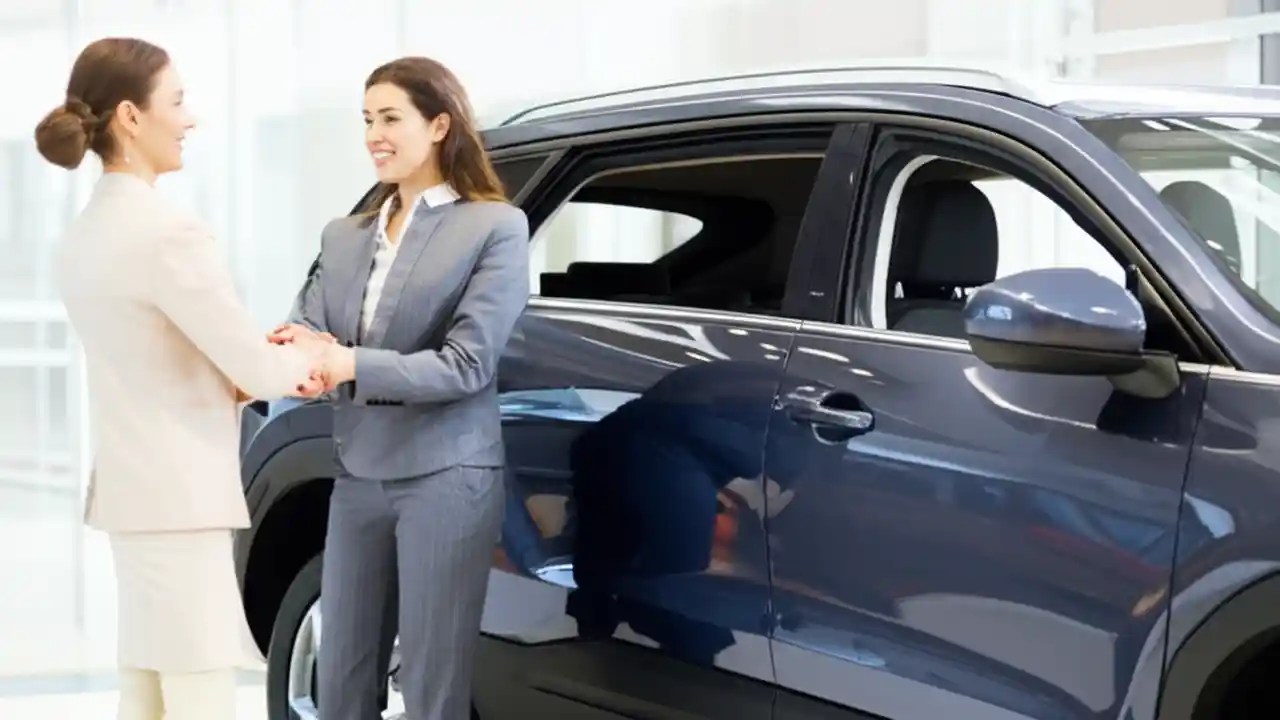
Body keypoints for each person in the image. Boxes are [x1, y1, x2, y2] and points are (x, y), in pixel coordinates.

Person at [36, 37, 332, 720]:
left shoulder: (84, 234)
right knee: (198, 690)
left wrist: (238, 371)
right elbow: (256, 368)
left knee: (144, 685)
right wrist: (312, 357)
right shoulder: (167, 232)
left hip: (133, 496)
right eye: (177, 101)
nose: (191, 118)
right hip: (182, 498)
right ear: (131, 118)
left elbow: (155, 358)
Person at [271, 56, 530, 720]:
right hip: (359, 472)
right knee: (343, 679)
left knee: (430, 686)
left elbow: (466, 366)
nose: (374, 136)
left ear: (440, 124)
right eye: (366, 120)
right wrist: (292, 348)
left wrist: (351, 363)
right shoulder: (346, 233)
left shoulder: (494, 227)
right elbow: (311, 320)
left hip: (446, 476)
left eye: (391, 118)